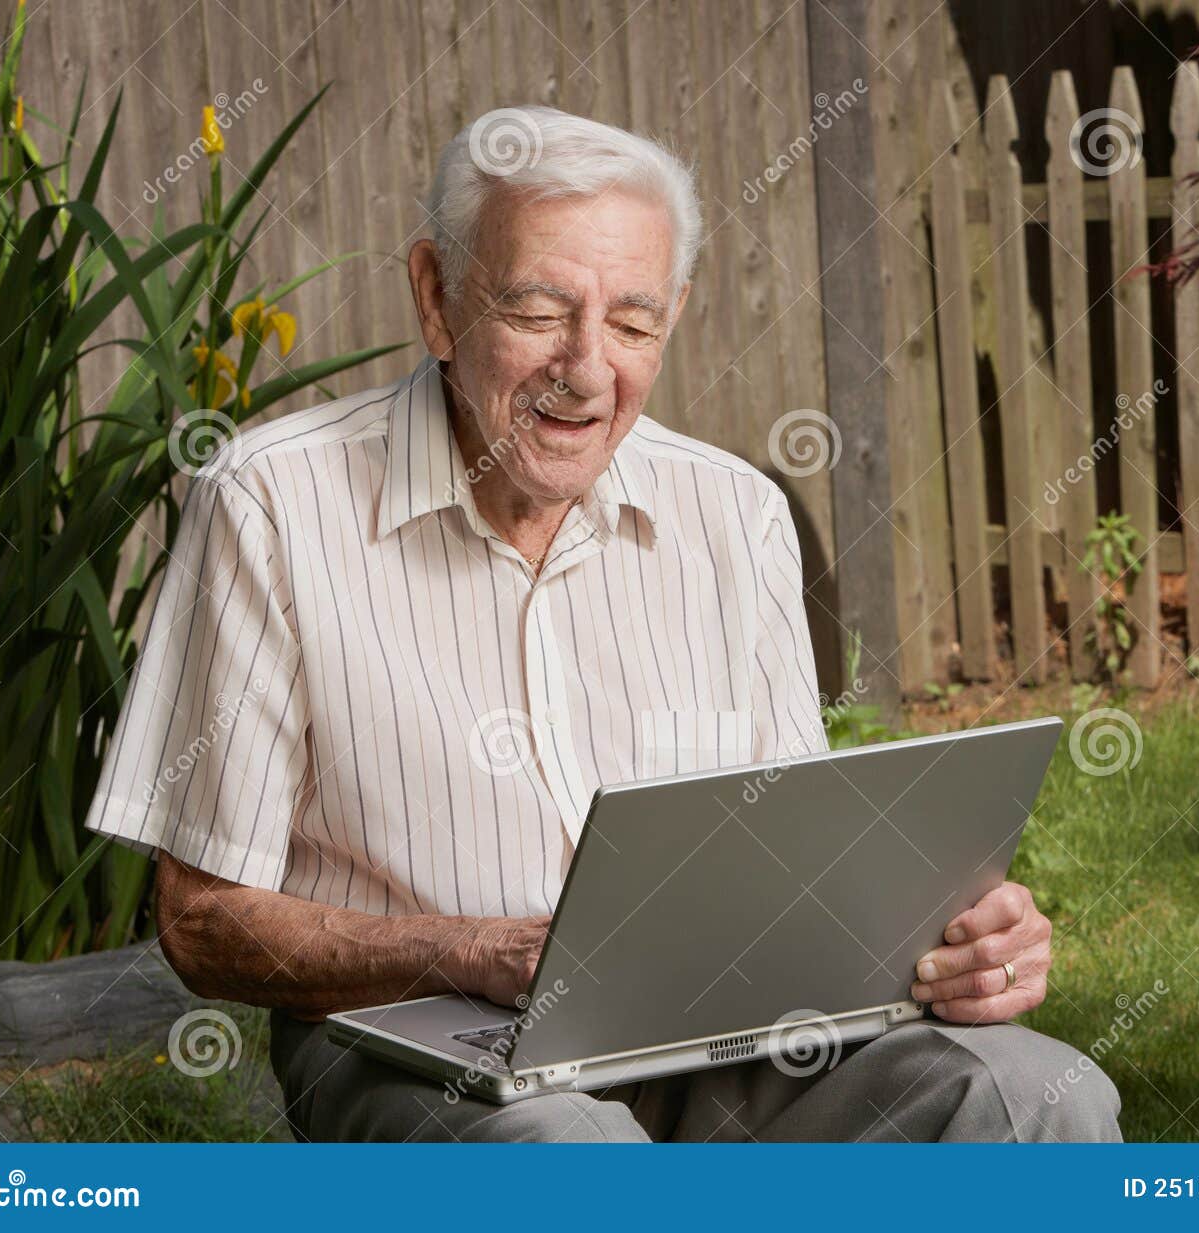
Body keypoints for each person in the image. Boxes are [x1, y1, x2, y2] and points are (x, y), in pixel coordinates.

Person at [84, 105, 1120, 1143]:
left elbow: (801, 875)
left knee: (1042, 1098)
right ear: (438, 299)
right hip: (418, 1043)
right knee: (570, 1154)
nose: (586, 369)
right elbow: (201, 922)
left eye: (632, 323)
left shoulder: (735, 515)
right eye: (539, 311)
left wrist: (953, 943)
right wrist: (468, 950)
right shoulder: (272, 504)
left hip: (725, 1039)